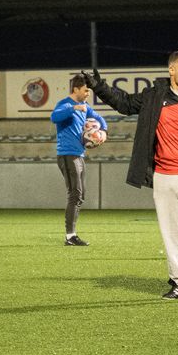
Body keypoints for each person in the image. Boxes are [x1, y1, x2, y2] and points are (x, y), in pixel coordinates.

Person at [85, 50, 178, 300]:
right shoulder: (154, 96)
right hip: (163, 178)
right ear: (172, 70)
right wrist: (100, 87)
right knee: (171, 233)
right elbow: (124, 103)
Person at [51, 74, 107, 246]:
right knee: (75, 194)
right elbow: (54, 117)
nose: (88, 93)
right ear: (76, 89)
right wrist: (73, 108)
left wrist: (103, 130)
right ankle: (70, 236)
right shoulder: (65, 104)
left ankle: (72, 235)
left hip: (79, 155)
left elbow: (100, 118)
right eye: (85, 90)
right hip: (67, 154)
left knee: (80, 195)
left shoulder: (85, 106)